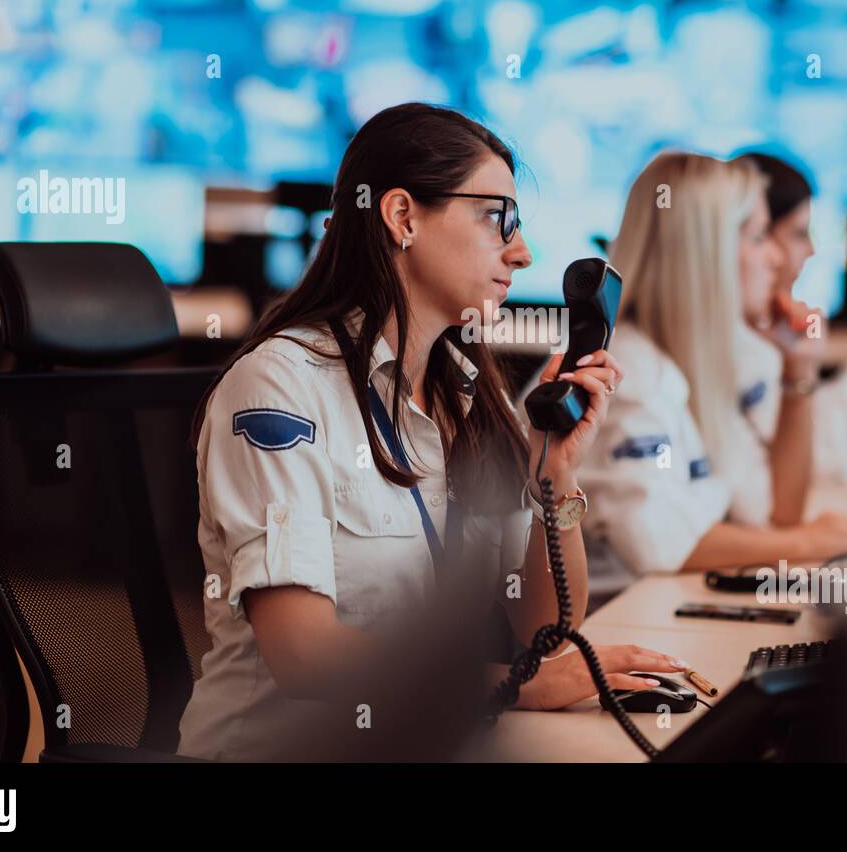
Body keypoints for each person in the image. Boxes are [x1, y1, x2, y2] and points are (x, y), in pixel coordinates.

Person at [177, 103, 684, 761]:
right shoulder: (282, 386)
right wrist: (521, 688)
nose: (522, 253)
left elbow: (545, 630)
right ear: (403, 217)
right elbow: (303, 654)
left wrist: (553, 472)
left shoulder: (469, 390)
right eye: (496, 218)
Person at [573, 151, 847, 587]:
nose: (775, 259)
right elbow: (658, 546)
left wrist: (799, 370)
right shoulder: (630, 373)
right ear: (707, 253)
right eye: (758, 238)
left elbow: (770, 513)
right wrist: (805, 544)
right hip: (614, 621)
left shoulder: (704, 362)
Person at [738, 151, 847, 487]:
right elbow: (817, 457)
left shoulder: (765, 331)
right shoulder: (737, 344)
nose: (810, 250)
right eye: (798, 233)